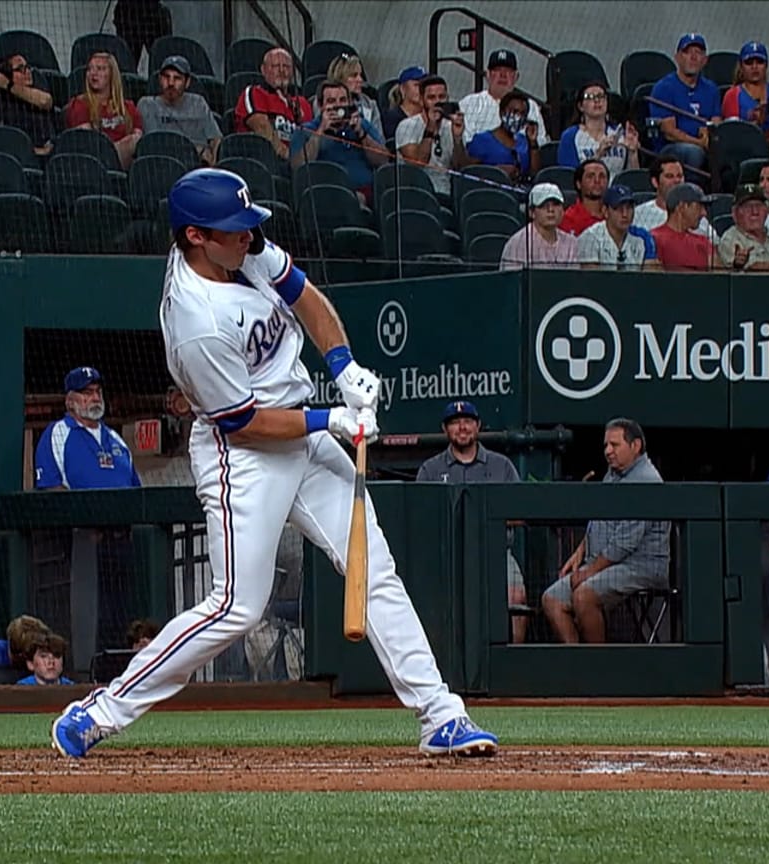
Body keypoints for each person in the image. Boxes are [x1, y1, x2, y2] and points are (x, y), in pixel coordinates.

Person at [51, 168, 498, 759]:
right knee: (236, 607)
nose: (248, 235)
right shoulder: (195, 321)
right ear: (195, 237)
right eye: (232, 229)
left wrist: (342, 365)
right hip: (243, 455)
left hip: (302, 431)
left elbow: (304, 296)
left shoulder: (242, 249)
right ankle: (101, 710)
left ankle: (441, 715)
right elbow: (242, 420)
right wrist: (329, 419)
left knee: (373, 569)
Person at [542, 418, 671, 644]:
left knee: (584, 595)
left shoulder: (645, 482)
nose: (608, 451)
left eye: (614, 445)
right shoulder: (613, 473)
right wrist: (580, 552)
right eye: (605, 445)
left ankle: (599, 662)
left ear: (636, 446)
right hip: (605, 564)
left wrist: (589, 572)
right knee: (551, 599)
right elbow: (600, 520)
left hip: (639, 566)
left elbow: (625, 543)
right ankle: (578, 660)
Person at [415, 400, 528, 643]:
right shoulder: (430, 469)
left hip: (495, 552)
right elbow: (421, 520)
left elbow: (521, 514)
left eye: (467, 421)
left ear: (478, 426)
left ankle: (514, 660)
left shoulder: (501, 465)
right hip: (446, 556)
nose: (462, 427)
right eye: (455, 423)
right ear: (445, 429)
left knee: (516, 596)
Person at [34, 367, 141, 490]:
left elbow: (136, 489)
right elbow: (50, 487)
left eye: (98, 392)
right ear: (69, 401)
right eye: (87, 393)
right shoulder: (56, 434)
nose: (96, 398)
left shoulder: (115, 438)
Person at [291, 80, 389, 201]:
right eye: (331, 101)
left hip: (367, 194)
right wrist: (320, 131)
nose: (338, 106)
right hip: (327, 195)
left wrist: (361, 134)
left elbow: (383, 160)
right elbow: (298, 166)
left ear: (350, 103)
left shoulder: (363, 125)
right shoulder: (306, 130)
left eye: (343, 100)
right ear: (321, 106)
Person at [649, 33, 720, 170]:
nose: (693, 57)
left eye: (698, 52)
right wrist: (699, 143)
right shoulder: (664, 88)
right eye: (687, 52)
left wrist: (708, 134)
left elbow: (716, 122)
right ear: (677, 58)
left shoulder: (711, 89)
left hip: (704, 145)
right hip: (672, 148)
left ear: (705, 60)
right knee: (693, 153)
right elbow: (670, 132)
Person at [137, 55, 221, 165]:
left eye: (177, 78)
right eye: (166, 77)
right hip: (158, 165)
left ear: (187, 82)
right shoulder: (146, 105)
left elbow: (216, 138)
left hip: (194, 165)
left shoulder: (198, 103)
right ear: (160, 79)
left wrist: (213, 161)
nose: (171, 83)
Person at [65, 52, 142, 170]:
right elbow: (86, 143)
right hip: (94, 164)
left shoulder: (129, 107)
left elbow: (138, 140)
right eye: (90, 69)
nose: (93, 73)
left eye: (100, 69)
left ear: (112, 74)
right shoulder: (80, 105)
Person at [720, 41, 769, 158]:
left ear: (766, 65)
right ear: (741, 66)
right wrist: (755, 123)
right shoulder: (733, 95)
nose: (754, 67)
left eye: (759, 62)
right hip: (746, 149)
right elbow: (732, 134)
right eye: (749, 63)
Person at [557, 81, 638, 177]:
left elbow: (632, 178)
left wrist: (633, 153)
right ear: (580, 106)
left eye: (601, 96)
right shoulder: (570, 137)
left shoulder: (620, 133)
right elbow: (570, 177)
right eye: (590, 97)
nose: (597, 100)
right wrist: (598, 155)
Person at [576, 184, 659, 270]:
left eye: (629, 208)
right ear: (605, 211)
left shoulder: (640, 239)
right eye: (618, 208)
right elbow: (590, 277)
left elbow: (650, 275)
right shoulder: (590, 238)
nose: (625, 214)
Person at [500, 182, 578, 269]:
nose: (551, 210)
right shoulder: (518, 243)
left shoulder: (571, 243)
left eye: (556, 204)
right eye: (543, 205)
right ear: (531, 212)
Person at [465, 89, 538, 180]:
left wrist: (533, 142)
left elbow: (534, 174)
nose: (518, 117)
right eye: (515, 112)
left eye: (523, 113)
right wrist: (496, 172)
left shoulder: (525, 142)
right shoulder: (482, 140)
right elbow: (468, 172)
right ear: (502, 112)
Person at [650, 183, 715, 271]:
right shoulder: (654, 239)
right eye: (699, 207)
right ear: (682, 207)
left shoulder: (703, 242)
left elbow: (719, 275)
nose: (704, 213)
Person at [318, 53, 378, 129]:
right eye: (354, 75)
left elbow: (379, 135)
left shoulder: (370, 105)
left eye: (360, 75)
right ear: (339, 77)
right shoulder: (323, 102)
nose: (360, 80)